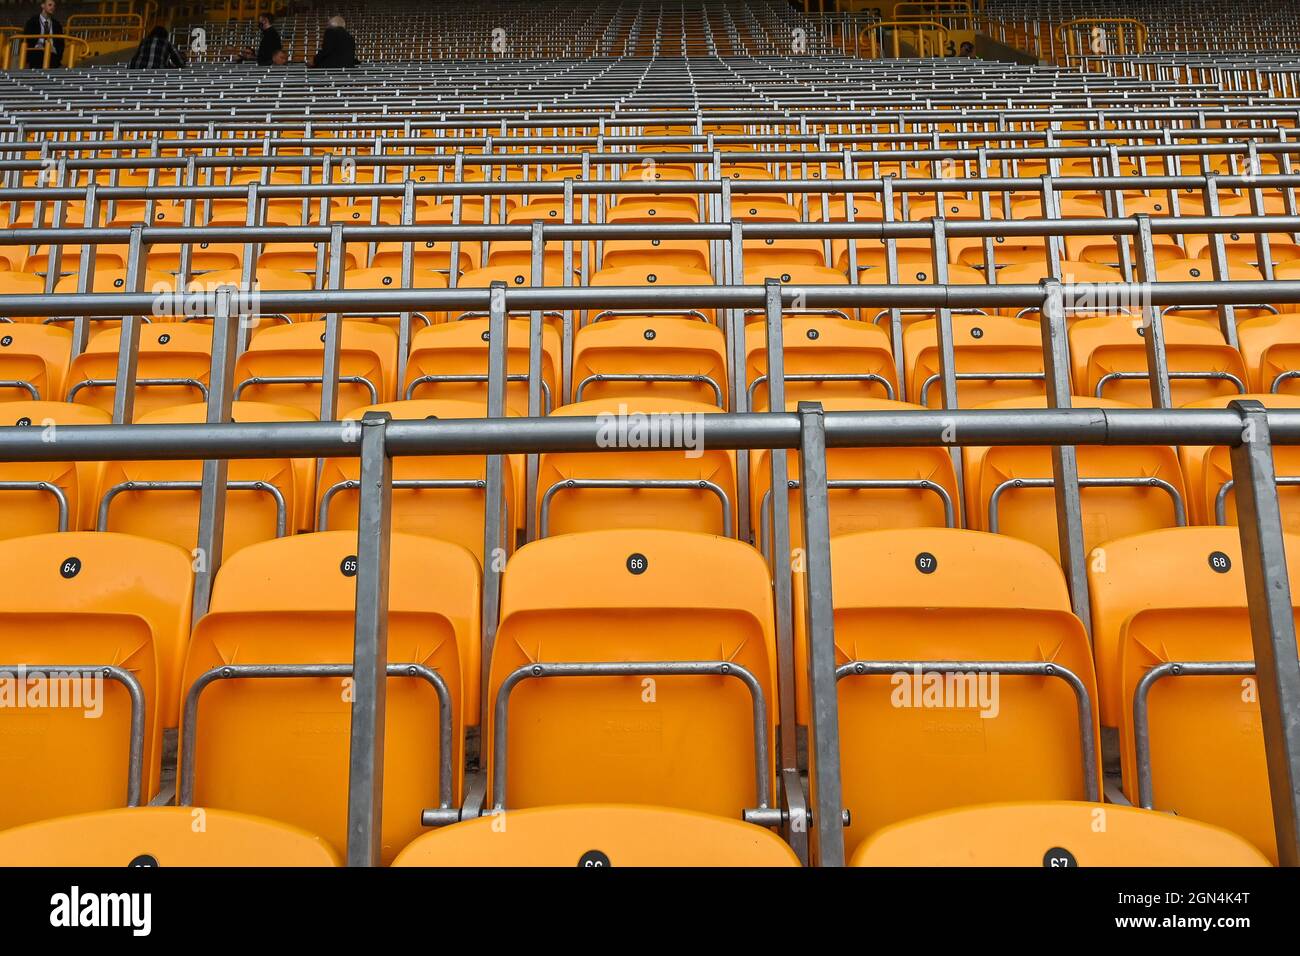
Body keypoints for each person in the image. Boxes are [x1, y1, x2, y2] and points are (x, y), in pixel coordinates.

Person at [22, 0, 63, 69]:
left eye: (54, 6)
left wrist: (58, 55)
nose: (52, 7)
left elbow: (61, 43)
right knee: (38, 55)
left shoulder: (57, 24)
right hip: (36, 53)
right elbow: (26, 39)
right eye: (50, 5)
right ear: (43, 5)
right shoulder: (32, 21)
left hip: (52, 54)